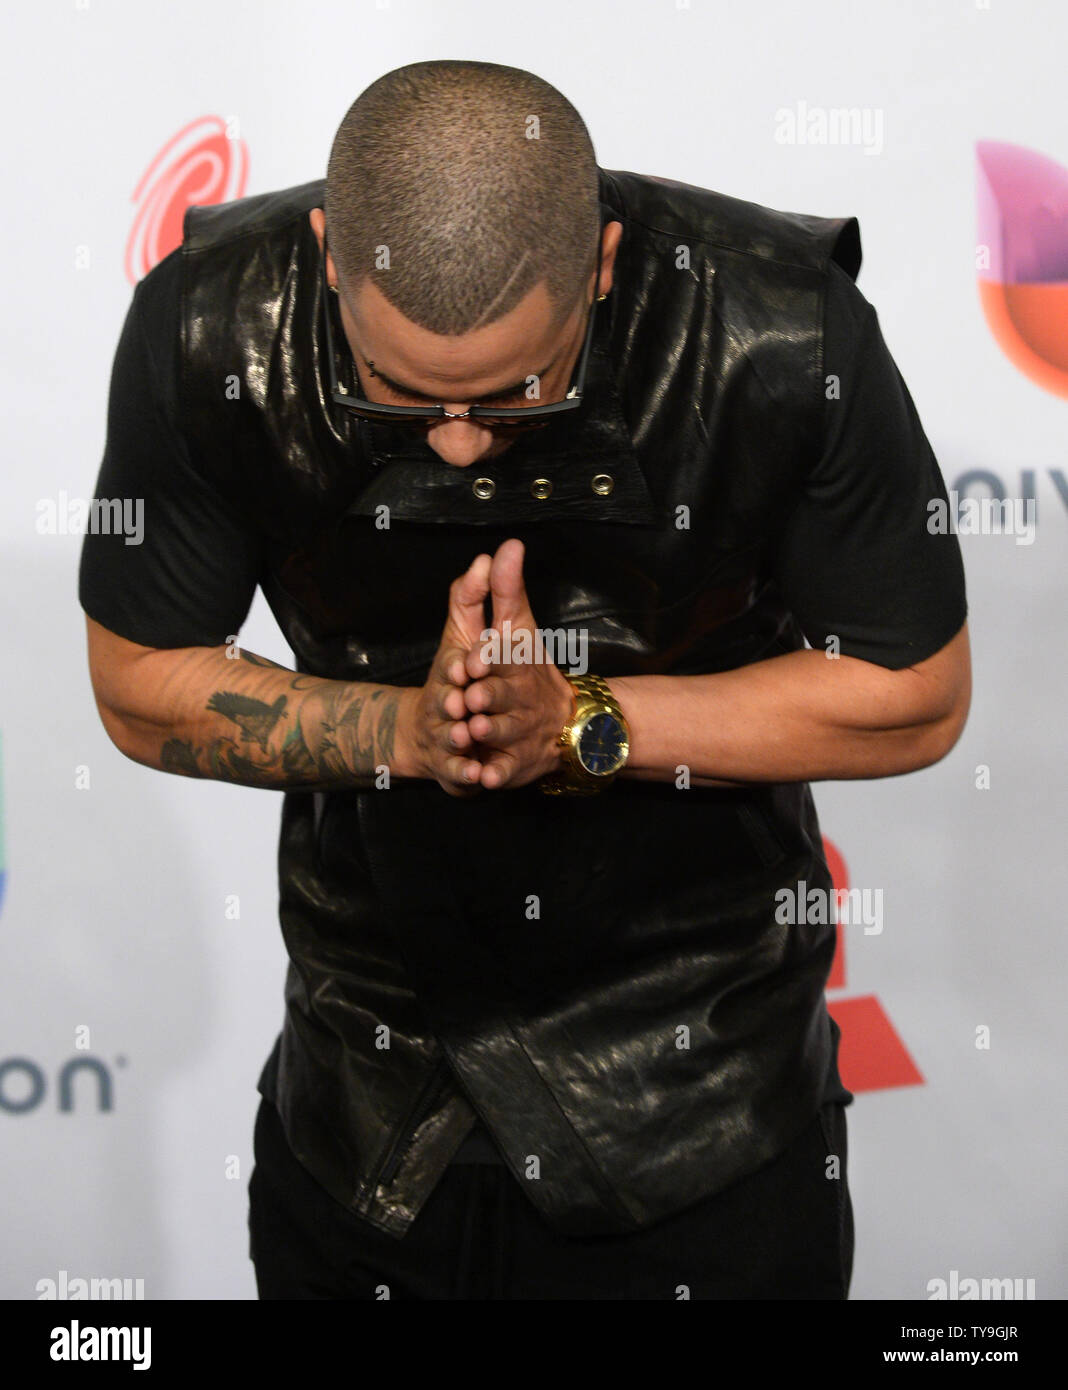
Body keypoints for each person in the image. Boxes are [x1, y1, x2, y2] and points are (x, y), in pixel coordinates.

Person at [79, 59, 970, 1300]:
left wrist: (587, 723)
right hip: (365, 1104)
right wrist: (406, 731)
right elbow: (135, 680)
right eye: (398, 391)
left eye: (512, 392)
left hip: (701, 1100)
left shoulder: (778, 327)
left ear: (602, 268)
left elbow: (916, 687)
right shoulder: (211, 320)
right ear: (330, 260)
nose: (457, 440)